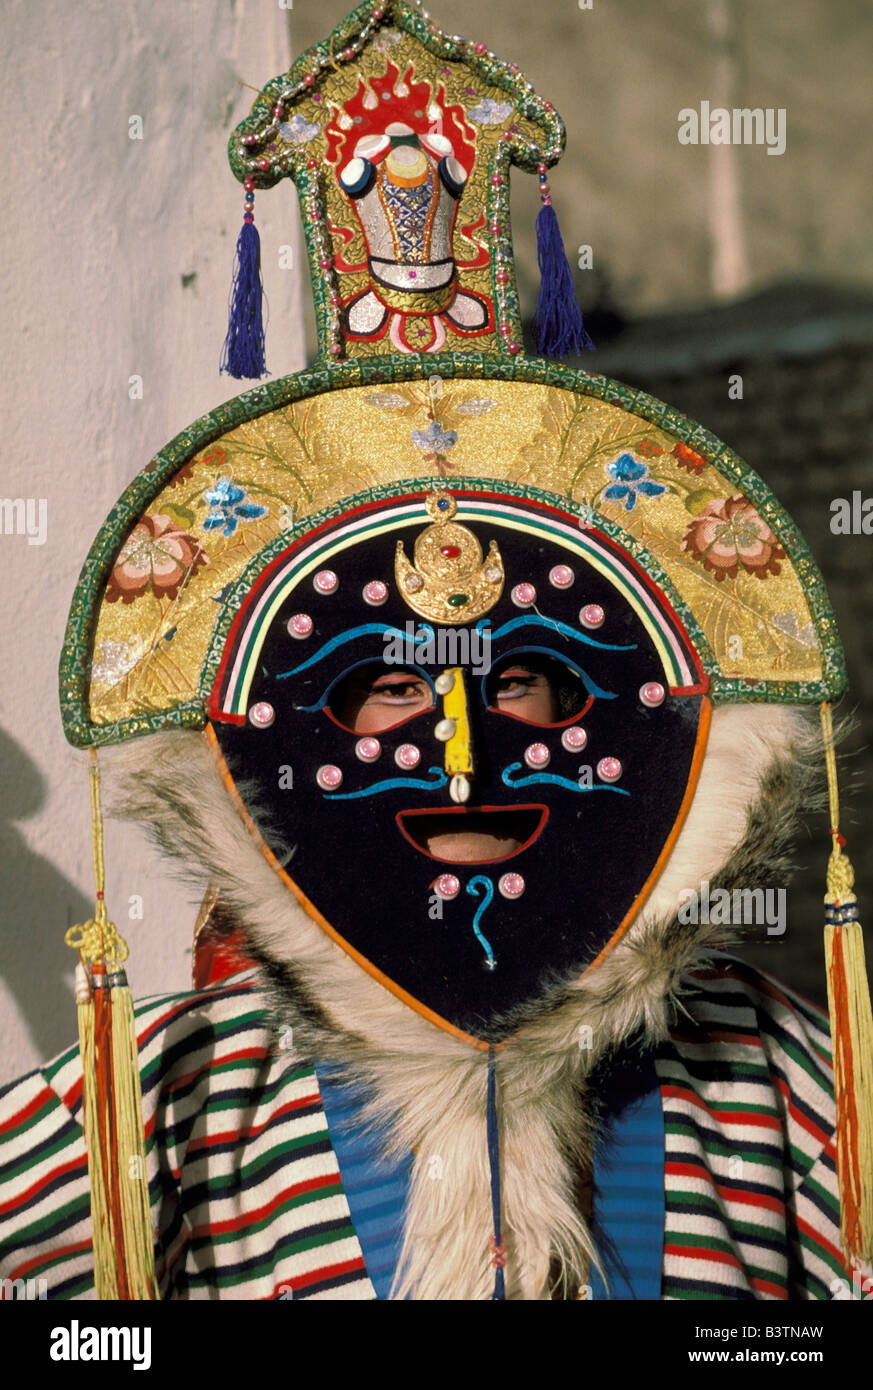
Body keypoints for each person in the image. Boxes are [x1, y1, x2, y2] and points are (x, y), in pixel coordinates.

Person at [1, 0, 870, 1302]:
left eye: (520, 680)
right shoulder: (169, 1092)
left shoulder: (772, 1067)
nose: (459, 759)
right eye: (384, 690)